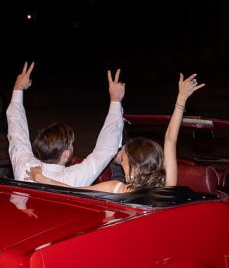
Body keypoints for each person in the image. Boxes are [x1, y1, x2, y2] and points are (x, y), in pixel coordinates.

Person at [29, 73, 205, 192]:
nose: (120, 161)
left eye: (124, 159)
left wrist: (41, 179)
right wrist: (180, 100)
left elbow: (72, 192)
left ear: (134, 169)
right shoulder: (169, 186)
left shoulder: (119, 189)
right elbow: (170, 140)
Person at [7, 61, 125, 187]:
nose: (72, 146)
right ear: (65, 154)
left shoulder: (26, 168)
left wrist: (18, 88)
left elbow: (17, 134)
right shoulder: (73, 177)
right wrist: (115, 100)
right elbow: (106, 149)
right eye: (70, 144)